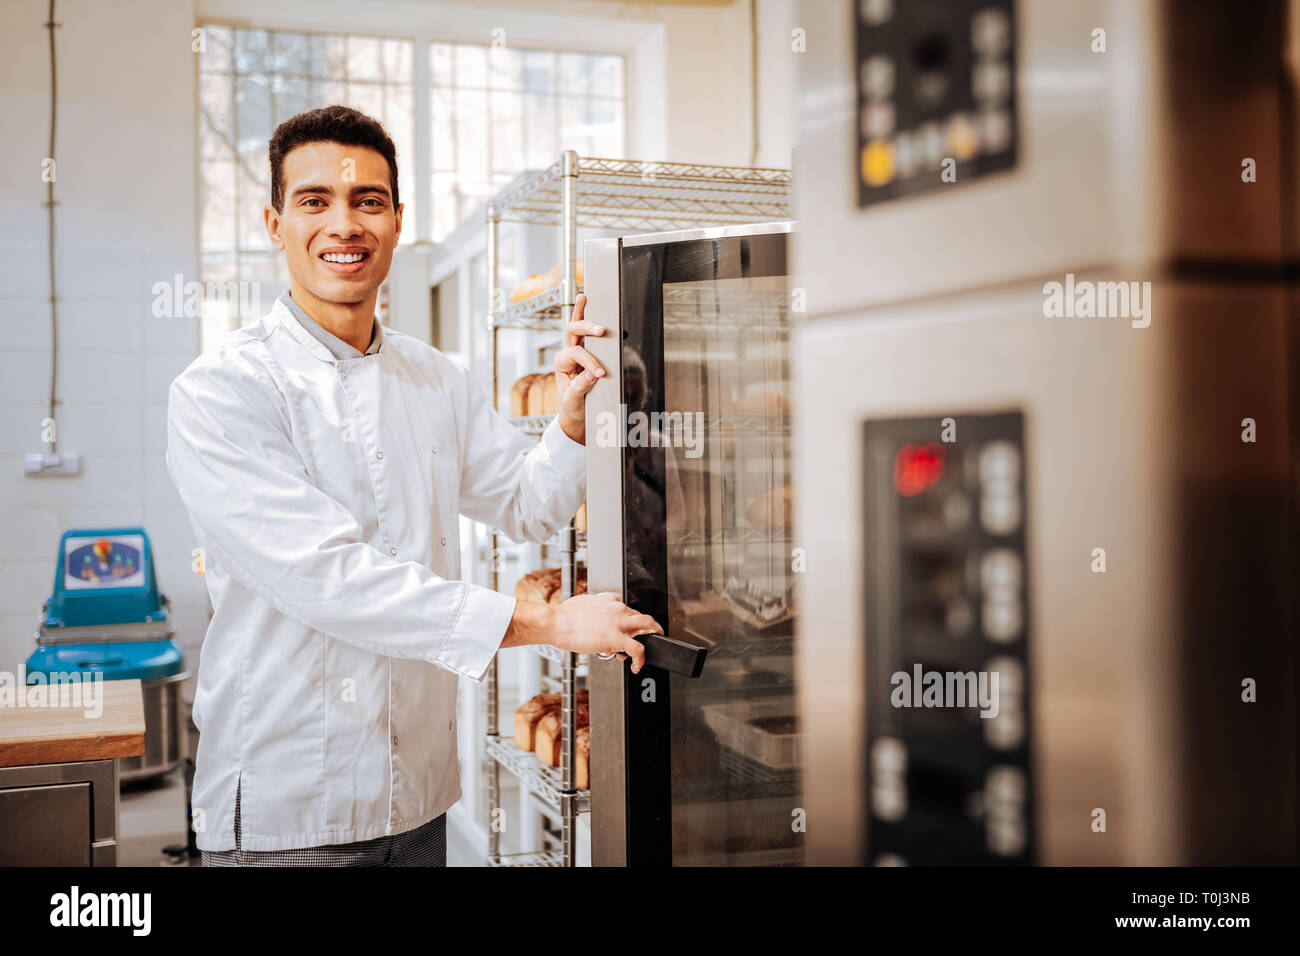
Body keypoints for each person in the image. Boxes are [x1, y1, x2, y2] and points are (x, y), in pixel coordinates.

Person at [165, 105, 660, 866]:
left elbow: (529, 507)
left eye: (368, 201)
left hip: (422, 794)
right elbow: (328, 580)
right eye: (313, 201)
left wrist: (567, 420)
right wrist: (546, 624)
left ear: (398, 221)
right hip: (294, 808)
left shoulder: (437, 378)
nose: (344, 224)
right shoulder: (223, 390)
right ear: (274, 223)